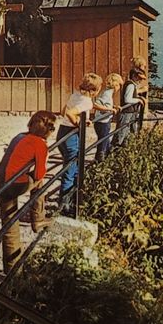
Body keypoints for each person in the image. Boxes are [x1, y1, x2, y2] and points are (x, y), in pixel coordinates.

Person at [0, 110, 58, 272]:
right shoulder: (40, 144)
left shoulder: (19, 136)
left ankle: (12, 268)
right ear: (49, 131)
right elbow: (39, 173)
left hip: (2, 184)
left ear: (30, 124)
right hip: (16, 184)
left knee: (9, 222)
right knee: (40, 181)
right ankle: (38, 218)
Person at [56, 73, 102, 217]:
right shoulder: (87, 101)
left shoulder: (75, 95)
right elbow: (70, 113)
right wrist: (79, 124)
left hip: (62, 131)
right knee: (71, 168)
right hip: (72, 134)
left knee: (72, 166)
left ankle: (71, 198)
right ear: (94, 90)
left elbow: (64, 110)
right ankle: (65, 204)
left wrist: (79, 120)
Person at [114, 68, 148, 148]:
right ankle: (115, 148)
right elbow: (128, 99)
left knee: (127, 131)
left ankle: (123, 148)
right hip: (127, 112)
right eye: (139, 78)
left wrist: (139, 98)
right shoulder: (130, 85)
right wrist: (139, 100)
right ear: (134, 76)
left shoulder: (132, 85)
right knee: (122, 132)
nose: (140, 80)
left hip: (130, 111)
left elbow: (133, 96)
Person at [93, 73, 123, 161]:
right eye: (118, 86)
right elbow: (96, 104)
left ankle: (106, 158)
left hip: (105, 121)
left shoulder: (108, 93)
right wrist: (110, 110)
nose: (118, 88)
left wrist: (113, 107)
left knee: (105, 141)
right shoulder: (107, 93)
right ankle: (99, 160)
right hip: (102, 122)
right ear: (115, 85)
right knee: (103, 142)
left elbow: (106, 104)